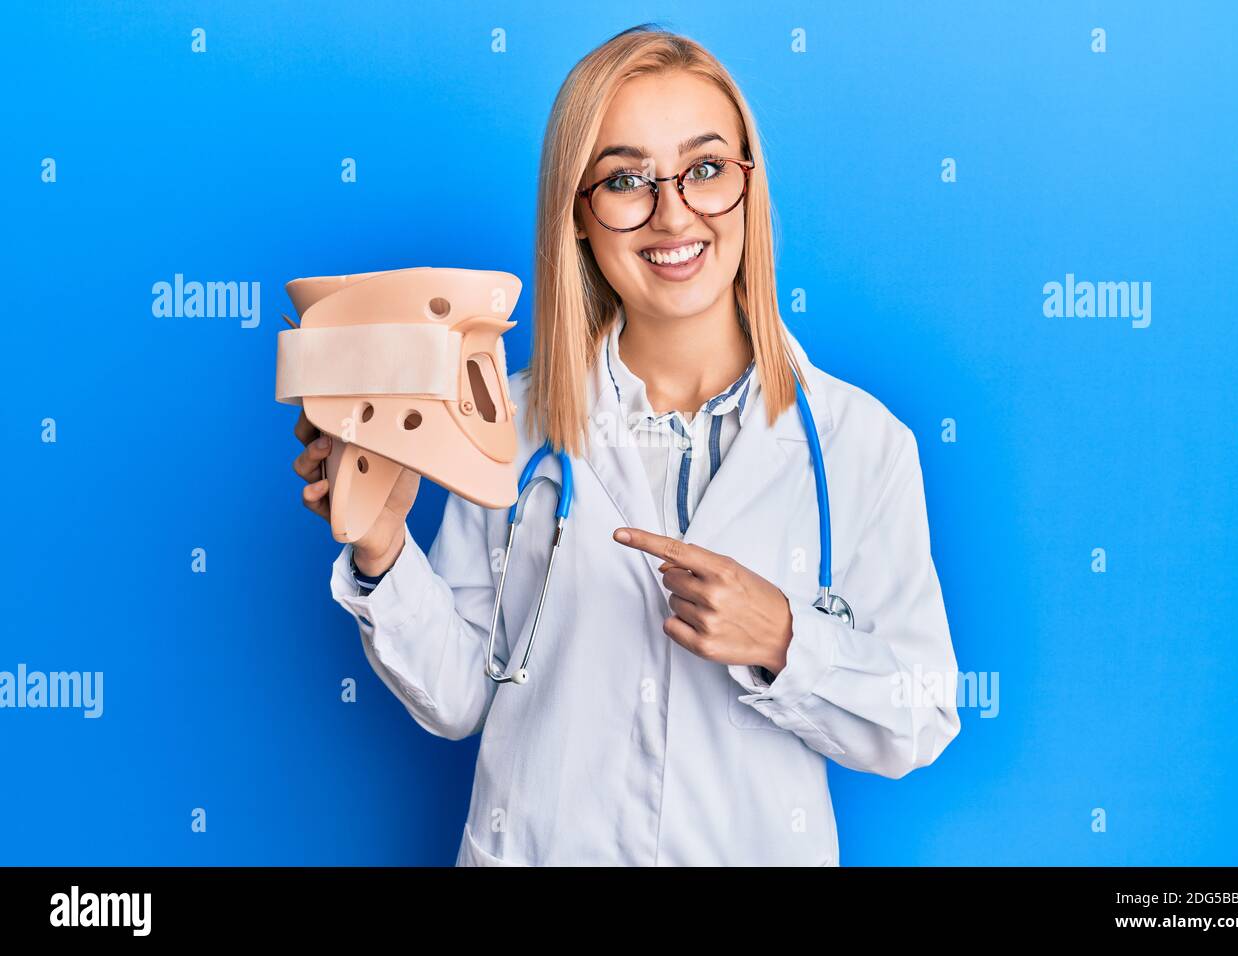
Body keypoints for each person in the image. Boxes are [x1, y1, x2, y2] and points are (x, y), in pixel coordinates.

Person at [291, 24, 961, 866]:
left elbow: (923, 714)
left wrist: (786, 638)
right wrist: (383, 549)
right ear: (578, 214)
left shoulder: (862, 445)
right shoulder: (509, 424)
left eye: (706, 169)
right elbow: (460, 697)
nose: (673, 211)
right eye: (625, 180)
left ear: (748, 187)